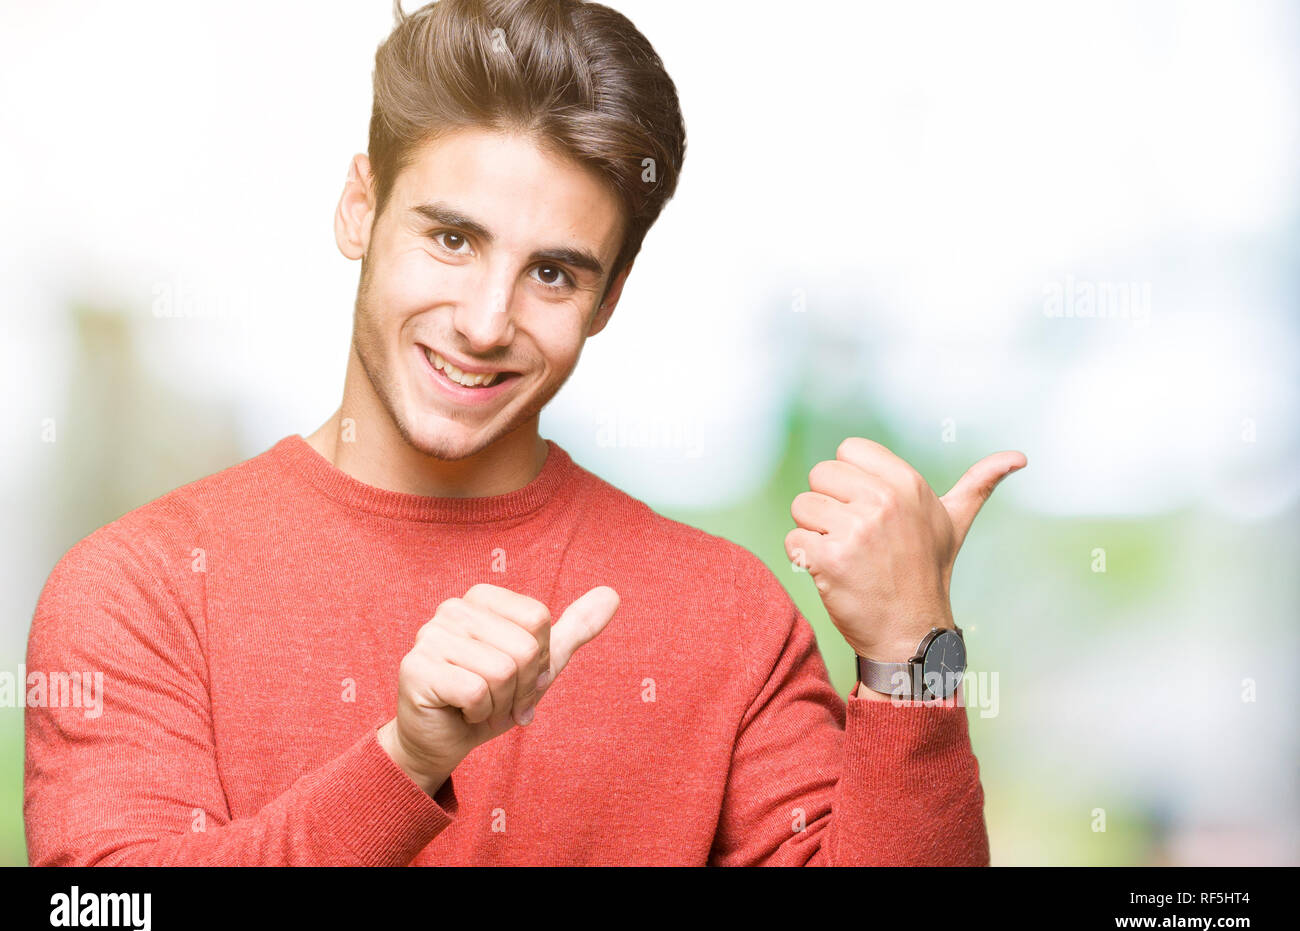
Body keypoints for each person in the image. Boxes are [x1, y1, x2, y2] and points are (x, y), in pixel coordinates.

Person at [24, 0, 1024, 866]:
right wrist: (405, 762)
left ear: (609, 297)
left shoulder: (728, 618)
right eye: (451, 238)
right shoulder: (138, 592)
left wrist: (909, 655)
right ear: (358, 207)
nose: (486, 319)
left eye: (553, 271)